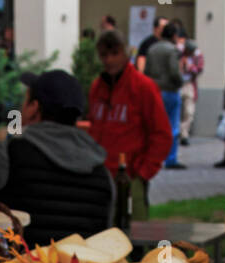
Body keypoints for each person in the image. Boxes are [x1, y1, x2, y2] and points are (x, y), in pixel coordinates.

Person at [0, 70, 112, 246]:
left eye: (25, 101)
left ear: (34, 108)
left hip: (22, 262)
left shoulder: (9, 153)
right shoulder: (103, 173)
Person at [87, 30, 172, 223]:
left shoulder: (143, 87)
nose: (109, 60)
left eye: (114, 53)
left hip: (131, 176)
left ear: (125, 53)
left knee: (134, 230)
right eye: (104, 55)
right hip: (101, 176)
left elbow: (162, 134)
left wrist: (143, 173)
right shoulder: (96, 88)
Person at [143, 24, 183, 169]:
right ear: (174, 36)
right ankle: (170, 159)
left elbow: (146, 71)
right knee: (172, 126)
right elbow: (174, 71)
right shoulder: (172, 50)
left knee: (154, 125)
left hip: (154, 90)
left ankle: (152, 157)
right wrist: (180, 82)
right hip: (170, 90)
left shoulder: (152, 49)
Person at [178, 36, 203, 147]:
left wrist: (190, 67)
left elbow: (199, 69)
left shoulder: (197, 56)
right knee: (177, 111)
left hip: (189, 84)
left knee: (189, 112)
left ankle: (184, 134)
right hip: (177, 84)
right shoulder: (178, 54)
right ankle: (177, 133)